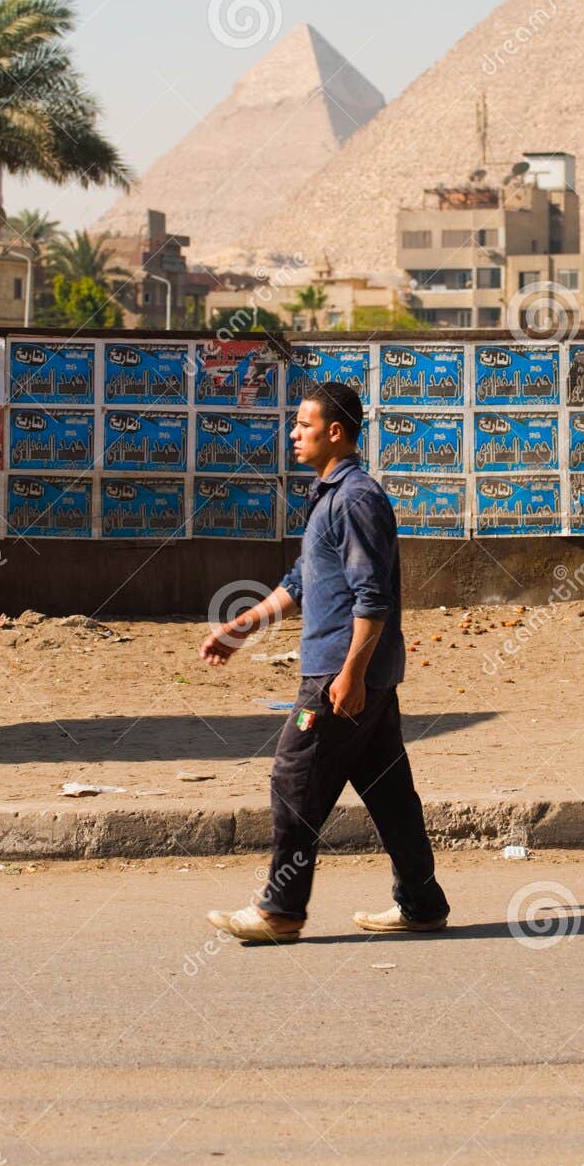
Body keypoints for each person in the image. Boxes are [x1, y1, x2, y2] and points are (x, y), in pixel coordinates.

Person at [200, 380, 450, 945]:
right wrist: (244, 627)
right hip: (356, 675)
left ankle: (281, 912)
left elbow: (373, 597)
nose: (293, 433)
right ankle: (422, 904)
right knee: (389, 795)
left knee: (294, 781)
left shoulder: (355, 498)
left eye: (303, 425)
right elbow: (300, 584)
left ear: (334, 432)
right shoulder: (328, 495)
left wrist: (352, 676)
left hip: (340, 676)